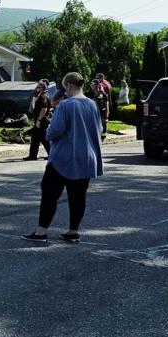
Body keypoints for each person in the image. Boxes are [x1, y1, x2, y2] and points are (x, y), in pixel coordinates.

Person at [23, 72, 103, 243]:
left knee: (49, 193)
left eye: (64, 86)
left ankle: (41, 232)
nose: (64, 90)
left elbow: (55, 131)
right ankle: (73, 232)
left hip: (64, 157)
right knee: (78, 195)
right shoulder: (92, 104)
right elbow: (99, 129)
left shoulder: (66, 105)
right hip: (86, 157)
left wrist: (48, 133)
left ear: (68, 85)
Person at [23, 81, 51, 161]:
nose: (36, 88)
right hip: (40, 120)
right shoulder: (40, 96)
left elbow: (44, 109)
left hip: (41, 120)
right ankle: (33, 155)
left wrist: (39, 120)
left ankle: (51, 155)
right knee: (36, 138)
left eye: (38, 87)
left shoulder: (43, 97)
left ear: (43, 88)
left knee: (43, 139)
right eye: (36, 87)